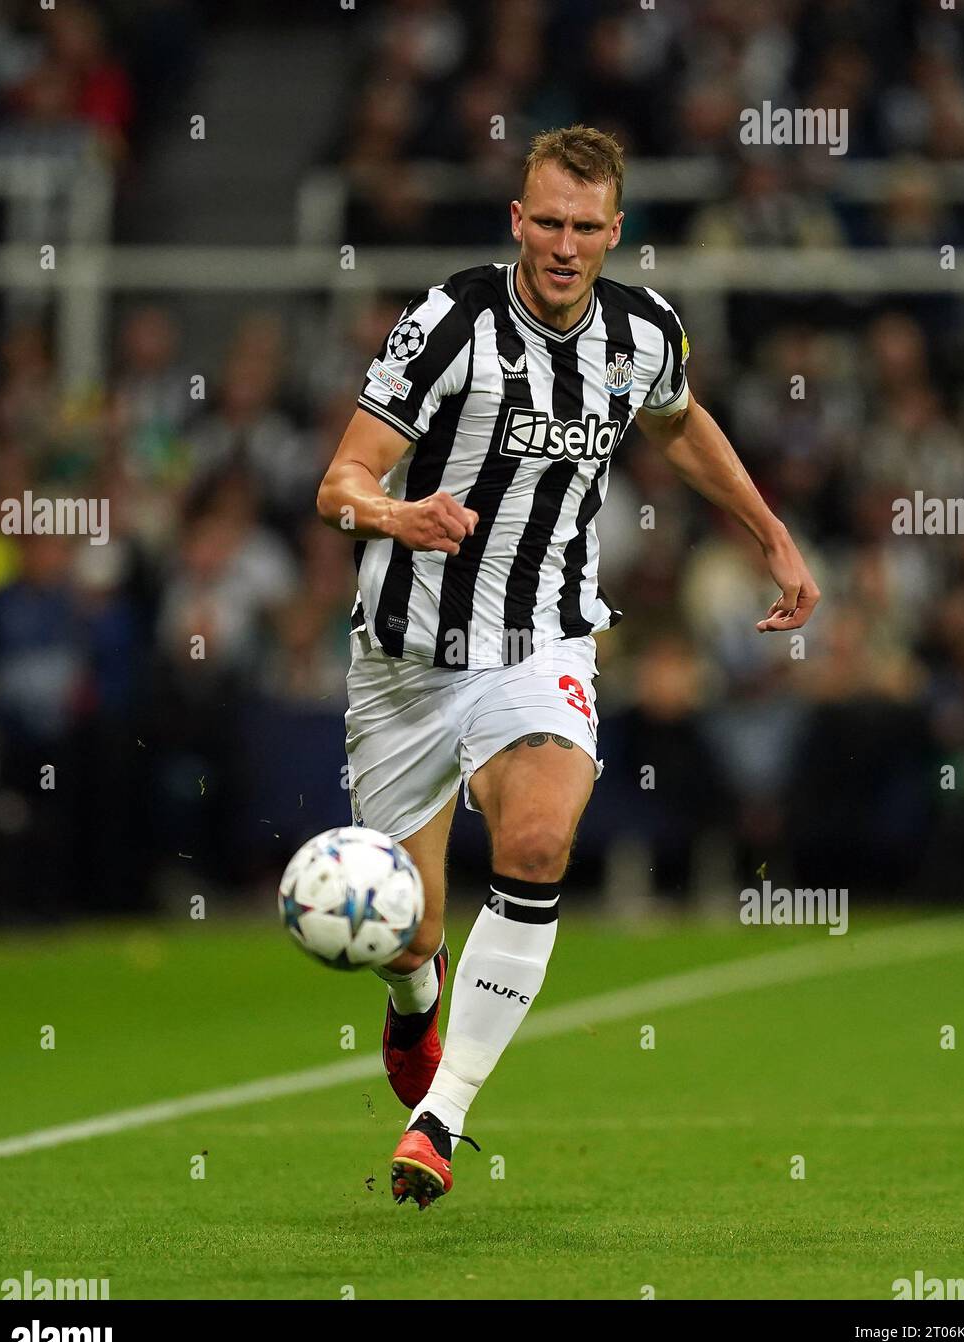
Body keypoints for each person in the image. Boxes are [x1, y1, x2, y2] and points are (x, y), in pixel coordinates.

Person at [316, 125, 819, 1209]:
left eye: (585, 227)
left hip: (541, 637)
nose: (563, 244)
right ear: (516, 220)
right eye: (545, 221)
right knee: (409, 934)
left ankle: (438, 1120)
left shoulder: (641, 332)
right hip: (404, 661)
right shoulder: (447, 321)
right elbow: (339, 482)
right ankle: (413, 1004)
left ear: (614, 231)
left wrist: (768, 532)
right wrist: (395, 511)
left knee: (539, 840)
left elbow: (679, 426)